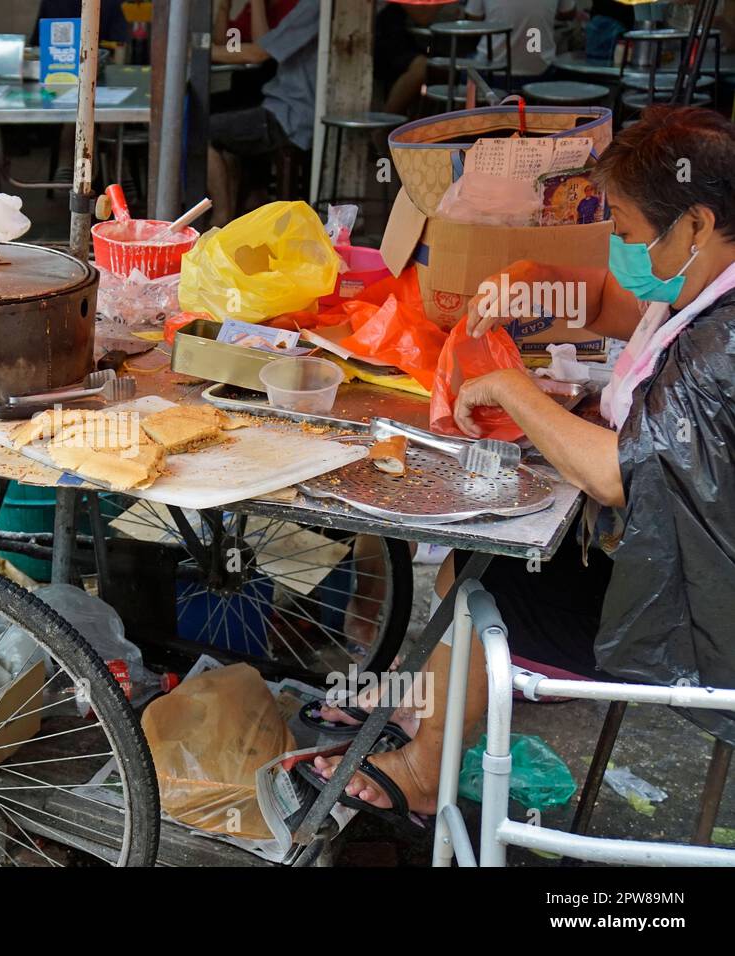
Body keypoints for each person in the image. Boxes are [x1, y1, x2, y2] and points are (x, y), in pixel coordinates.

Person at [311, 106, 735, 818]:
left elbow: (617, 474)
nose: (624, 250)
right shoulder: (701, 285)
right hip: (684, 571)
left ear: (694, 224)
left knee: (487, 577)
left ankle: (422, 768)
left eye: (629, 233)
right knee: (464, 568)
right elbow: (609, 299)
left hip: (699, 618)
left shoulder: (721, 346)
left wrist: (514, 390)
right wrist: (542, 283)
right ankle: (432, 716)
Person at [207, 0, 320, 225]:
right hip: (275, 101)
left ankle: (221, 218)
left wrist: (198, 50)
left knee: (199, 130)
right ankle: (237, 209)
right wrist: (223, 8)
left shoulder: (313, 6)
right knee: (215, 118)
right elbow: (228, 42)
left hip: (291, 113)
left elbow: (259, 52)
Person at [464, 0, 577, 80]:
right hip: (541, 72)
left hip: (493, 71)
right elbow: (569, 12)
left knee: (465, 63)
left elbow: (473, 17)